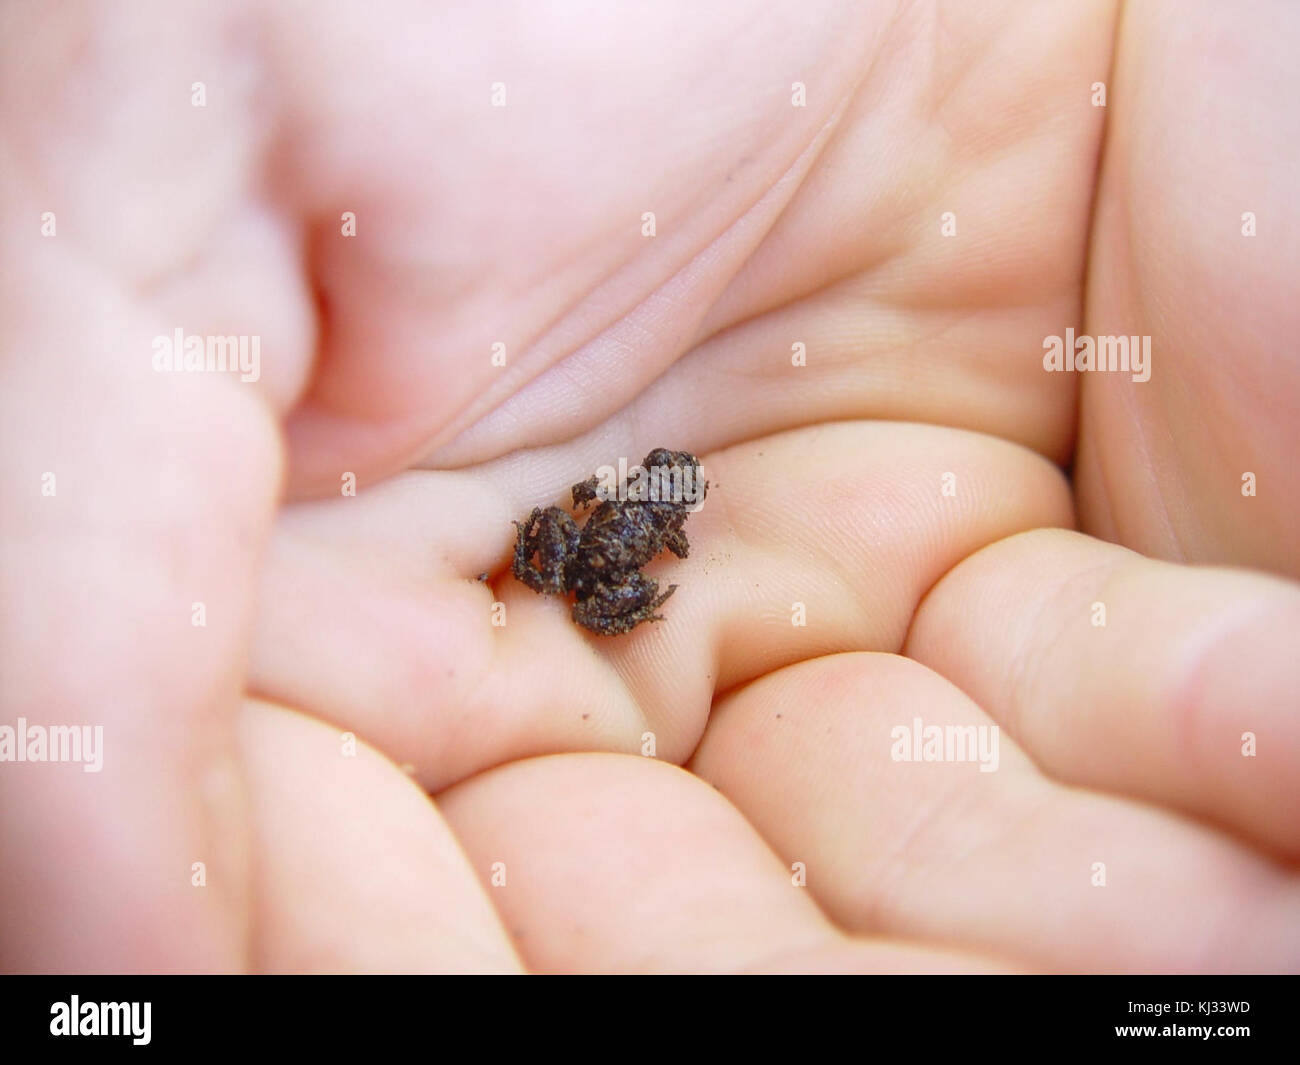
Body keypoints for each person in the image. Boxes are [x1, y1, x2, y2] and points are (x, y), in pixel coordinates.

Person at [2, 0, 1297, 973]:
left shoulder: (659, 511)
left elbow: (634, 526)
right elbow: (601, 531)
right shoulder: (640, 515)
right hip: (577, 548)